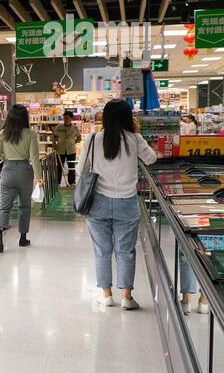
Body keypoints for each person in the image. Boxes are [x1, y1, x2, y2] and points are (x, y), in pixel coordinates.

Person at [83, 99, 158, 310]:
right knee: (126, 251)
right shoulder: (135, 139)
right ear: (128, 118)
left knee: (101, 250)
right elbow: (151, 159)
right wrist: (137, 131)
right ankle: (127, 296)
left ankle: (106, 295)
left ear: (105, 117)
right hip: (126, 202)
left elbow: (81, 169)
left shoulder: (93, 139)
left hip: (97, 202)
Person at [0, 103, 42, 252]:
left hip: (7, 170)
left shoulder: (3, 133)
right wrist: (39, 177)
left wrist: (6, 157)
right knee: (24, 206)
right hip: (24, 171)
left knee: (4, 206)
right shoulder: (30, 134)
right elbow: (34, 158)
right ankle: (22, 238)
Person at [52, 110, 82, 186]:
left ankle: (72, 182)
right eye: (64, 118)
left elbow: (79, 137)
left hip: (71, 150)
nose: (65, 120)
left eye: (67, 118)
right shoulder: (59, 127)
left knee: (71, 167)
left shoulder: (75, 128)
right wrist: (54, 144)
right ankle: (57, 182)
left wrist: (73, 142)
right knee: (59, 167)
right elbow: (54, 137)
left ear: (71, 118)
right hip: (60, 150)